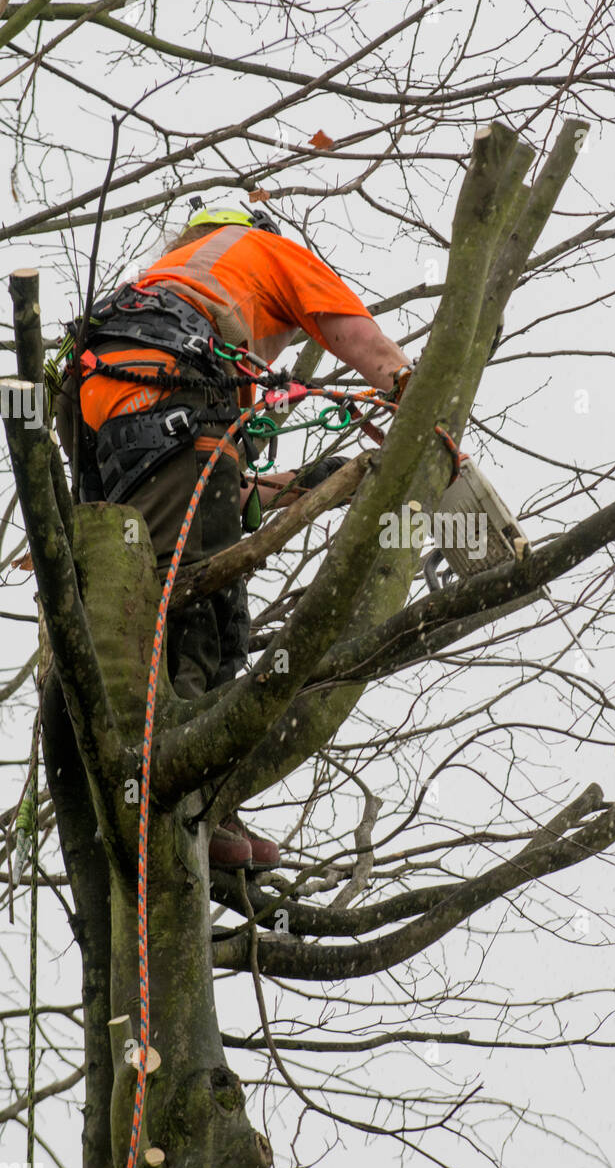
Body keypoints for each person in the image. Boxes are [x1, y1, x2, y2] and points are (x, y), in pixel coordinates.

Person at [56, 206, 411, 871]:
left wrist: (312, 482)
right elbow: (355, 335)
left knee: (153, 584)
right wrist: (412, 391)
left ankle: (189, 795)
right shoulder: (261, 250)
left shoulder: (170, 291)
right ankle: (180, 790)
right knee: (196, 606)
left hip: (106, 408)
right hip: (165, 397)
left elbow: (222, 492)